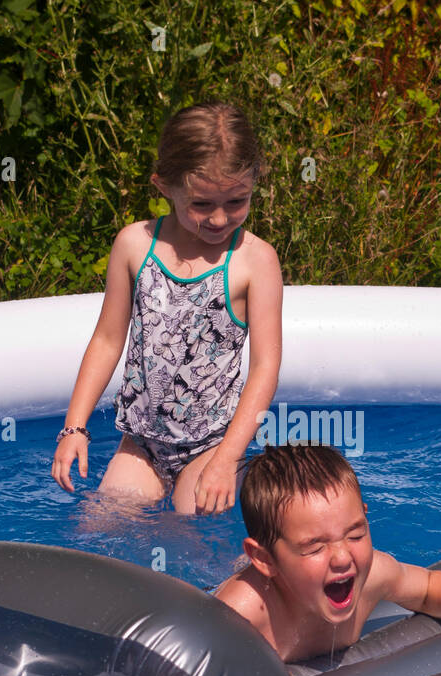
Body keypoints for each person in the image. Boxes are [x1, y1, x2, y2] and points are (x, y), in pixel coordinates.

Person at [52, 102, 283, 515]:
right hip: (141, 444)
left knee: (188, 529)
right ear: (163, 186)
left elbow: (265, 367)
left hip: (212, 445)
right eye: (201, 204)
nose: (219, 218)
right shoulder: (135, 245)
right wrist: (74, 428)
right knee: (99, 526)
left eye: (236, 201)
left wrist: (228, 458)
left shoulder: (254, 261)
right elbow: (107, 341)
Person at [215, 444, 441, 664]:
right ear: (265, 558)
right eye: (315, 546)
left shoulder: (373, 574)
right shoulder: (242, 616)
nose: (341, 557)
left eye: (355, 534)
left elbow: (430, 586)